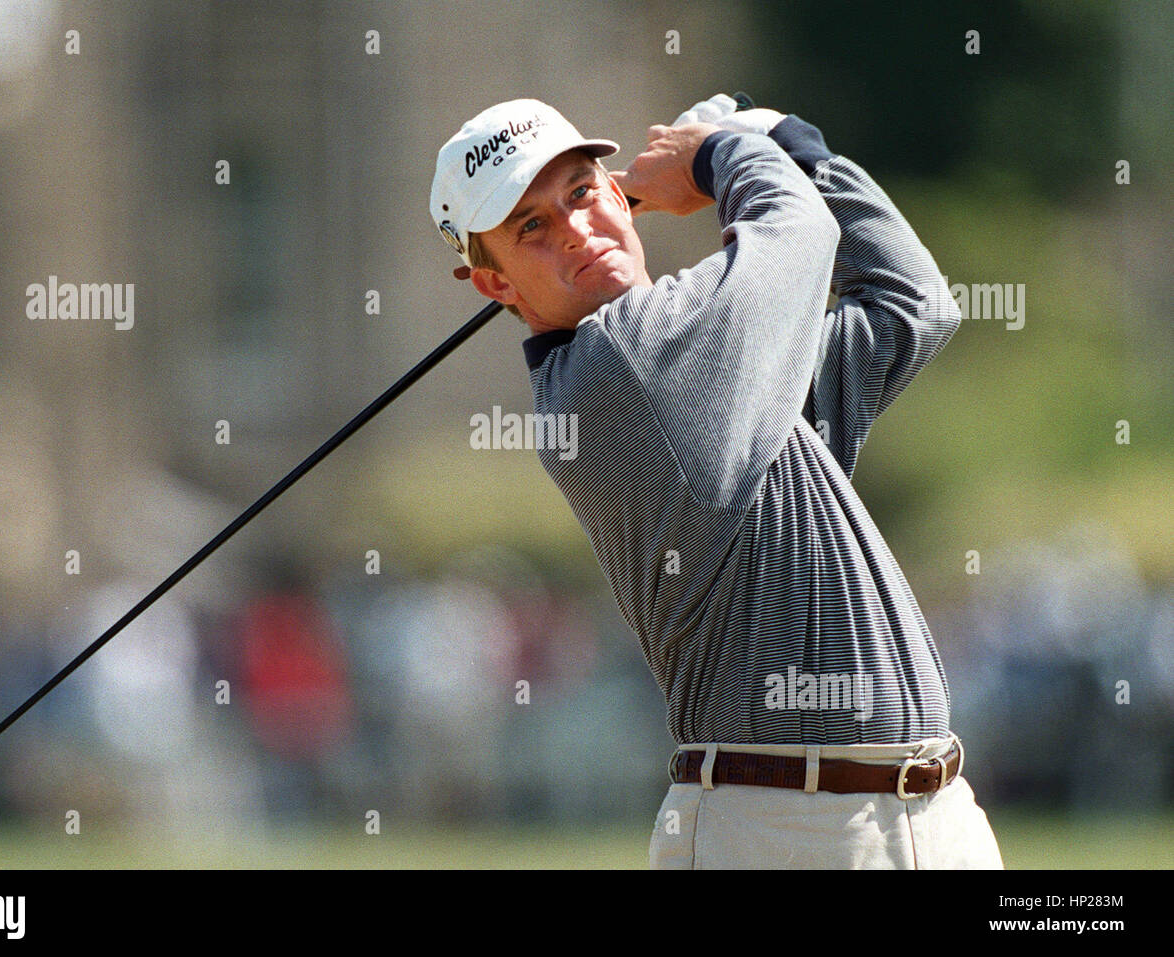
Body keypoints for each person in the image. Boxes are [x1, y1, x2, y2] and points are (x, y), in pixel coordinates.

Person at [429, 95, 1003, 868]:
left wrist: (789, 145)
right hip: (786, 828)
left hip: (920, 812)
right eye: (531, 227)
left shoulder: (717, 378)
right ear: (495, 285)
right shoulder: (624, 362)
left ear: (616, 195)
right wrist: (720, 153)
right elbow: (797, 234)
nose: (576, 229)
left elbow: (910, 303)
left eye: (582, 192)